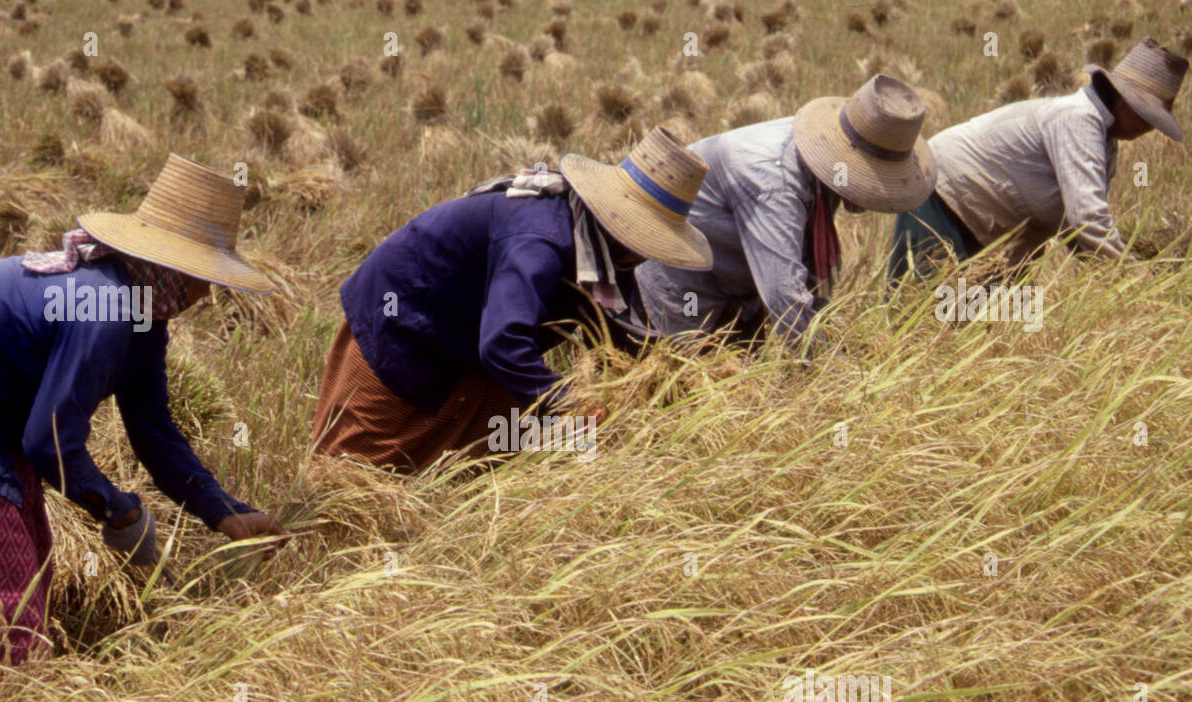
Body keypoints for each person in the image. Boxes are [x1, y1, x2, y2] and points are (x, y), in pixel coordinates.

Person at [0, 153, 287, 666]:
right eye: (200, 275)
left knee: (28, 558)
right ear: (170, 266)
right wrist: (117, 509)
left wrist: (224, 511)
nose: (207, 292)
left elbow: (152, 426)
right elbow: (49, 442)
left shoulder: (141, 311)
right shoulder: (108, 309)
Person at [307, 126, 713, 472]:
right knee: (357, 462)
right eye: (648, 238)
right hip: (401, 316)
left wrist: (678, 383)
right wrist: (569, 401)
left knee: (506, 437)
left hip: (465, 333)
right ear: (624, 222)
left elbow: (620, 334)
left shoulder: (606, 250)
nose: (648, 253)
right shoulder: (541, 240)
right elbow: (503, 343)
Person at [631, 74, 936, 351]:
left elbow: (805, 276)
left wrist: (826, 334)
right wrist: (833, 374)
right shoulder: (773, 181)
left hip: (738, 283)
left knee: (740, 385)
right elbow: (783, 294)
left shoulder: (822, 167)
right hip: (681, 284)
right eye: (872, 179)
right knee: (685, 389)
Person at [889, 37, 1189, 280]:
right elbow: (1088, 219)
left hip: (980, 218)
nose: (1149, 128)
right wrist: (1135, 275)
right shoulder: (1078, 119)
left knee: (985, 315)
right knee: (922, 308)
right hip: (941, 192)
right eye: (1147, 117)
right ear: (1125, 101)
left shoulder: (1105, 141)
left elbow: (1072, 228)